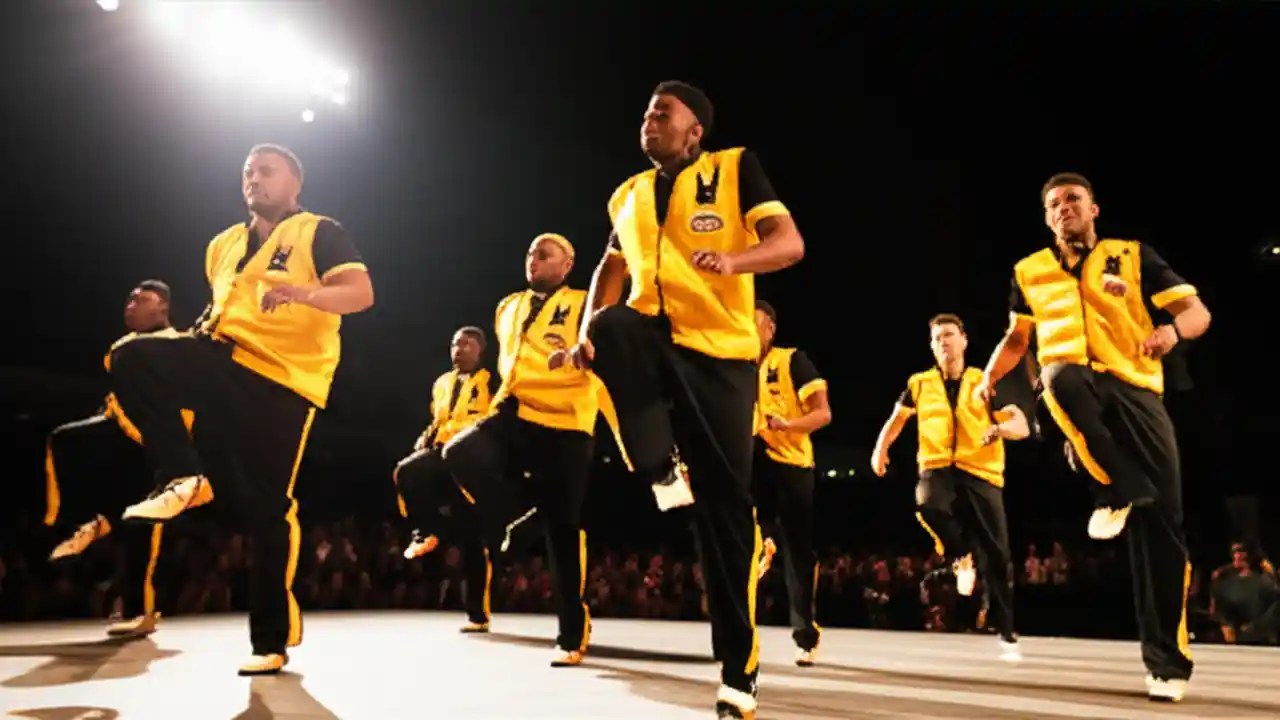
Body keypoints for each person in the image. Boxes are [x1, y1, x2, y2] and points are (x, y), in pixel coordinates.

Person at [563, 81, 805, 720]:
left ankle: (738, 671)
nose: (649, 119)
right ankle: (661, 467)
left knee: (725, 517)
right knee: (609, 328)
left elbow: (790, 244)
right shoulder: (628, 194)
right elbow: (609, 269)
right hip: (650, 336)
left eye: (663, 112)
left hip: (720, 358)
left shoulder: (733, 167)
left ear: (694, 131)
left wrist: (735, 258)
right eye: (645, 110)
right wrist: (587, 333)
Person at [111, 144, 374, 675]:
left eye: (267, 171)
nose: (254, 179)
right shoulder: (224, 244)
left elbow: (360, 293)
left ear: (295, 183)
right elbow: (219, 310)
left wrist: (303, 293)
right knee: (132, 356)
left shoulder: (319, 231)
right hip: (222, 361)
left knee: (266, 511)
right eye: (248, 172)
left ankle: (270, 642)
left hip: (283, 381)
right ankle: (184, 474)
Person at [978, 172, 1211, 701]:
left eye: (1073, 201)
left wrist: (1172, 331)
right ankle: (1115, 485)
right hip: (1076, 399)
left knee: (1163, 524)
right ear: (1046, 218)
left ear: (1094, 209)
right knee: (1058, 376)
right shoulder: (1029, 271)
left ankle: (1166, 664)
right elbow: (1017, 340)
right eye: (1054, 204)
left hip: (1135, 389)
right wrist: (988, 379)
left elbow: (1197, 312)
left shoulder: (1131, 255)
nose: (1064, 209)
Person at [443, 232, 620, 668]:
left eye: (545, 254)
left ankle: (571, 633)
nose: (534, 260)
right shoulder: (507, 306)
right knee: (459, 454)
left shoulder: (583, 302)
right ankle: (516, 515)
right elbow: (511, 362)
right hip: (515, 413)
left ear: (567, 265)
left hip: (567, 424)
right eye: (530, 253)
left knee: (563, 531)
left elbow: (607, 350)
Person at [871, 313, 1028, 661]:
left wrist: (1001, 430)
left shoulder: (984, 381)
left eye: (950, 334)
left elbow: (1021, 424)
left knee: (998, 552)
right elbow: (895, 421)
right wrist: (880, 449)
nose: (944, 341)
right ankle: (960, 556)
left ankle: (1004, 626)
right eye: (938, 337)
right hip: (938, 466)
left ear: (964, 340)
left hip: (981, 470)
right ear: (931, 346)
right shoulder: (919, 383)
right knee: (927, 504)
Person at [44, 280, 192, 637]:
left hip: (155, 445)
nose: (130, 304)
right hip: (119, 432)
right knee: (64, 441)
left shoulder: (178, 344)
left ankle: (140, 612)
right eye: (128, 298)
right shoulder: (125, 348)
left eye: (141, 299)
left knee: (138, 527)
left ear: (162, 307)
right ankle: (92, 519)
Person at [393, 325, 497, 632]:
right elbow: (438, 419)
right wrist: (427, 435)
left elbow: (491, 419)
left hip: (469, 460)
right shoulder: (440, 383)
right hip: (440, 455)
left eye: (466, 344)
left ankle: (477, 615)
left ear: (480, 350)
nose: (459, 349)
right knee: (406, 472)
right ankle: (428, 529)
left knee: (472, 539)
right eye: (455, 344)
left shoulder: (491, 380)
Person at [750, 300, 831, 667]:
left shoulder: (791, 360)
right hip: (754, 457)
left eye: (755, 324)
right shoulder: (733, 366)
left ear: (770, 329)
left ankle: (805, 635)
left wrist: (787, 425)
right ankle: (761, 536)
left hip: (793, 462)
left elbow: (822, 413)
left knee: (799, 552)